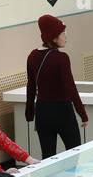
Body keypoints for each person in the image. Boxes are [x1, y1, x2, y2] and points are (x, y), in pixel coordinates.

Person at [25, 14, 88, 158]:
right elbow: (70, 88)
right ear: (53, 37)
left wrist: (29, 112)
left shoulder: (32, 56)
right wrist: (82, 113)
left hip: (42, 112)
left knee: (48, 157)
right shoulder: (61, 58)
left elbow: (31, 85)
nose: (66, 37)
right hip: (62, 111)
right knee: (74, 153)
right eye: (63, 33)